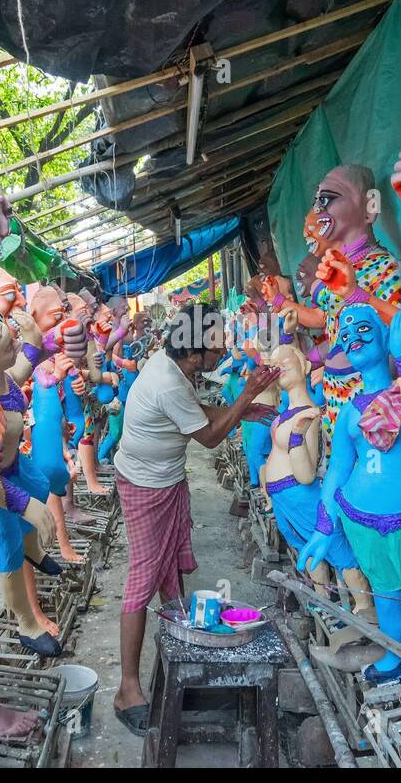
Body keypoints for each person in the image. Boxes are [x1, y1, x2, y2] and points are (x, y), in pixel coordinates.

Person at [110, 303, 279, 735]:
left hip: (163, 481)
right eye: (217, 339)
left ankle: (178, 665)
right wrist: (244, 399)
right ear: (194, 347)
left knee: (170, 579)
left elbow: (194, 411)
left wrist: (242, 411)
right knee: (144, 578)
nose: (223, 345)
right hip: (146, 487)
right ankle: (127, 689)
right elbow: (207, 438)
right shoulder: (167, 381)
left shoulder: (174, 369)